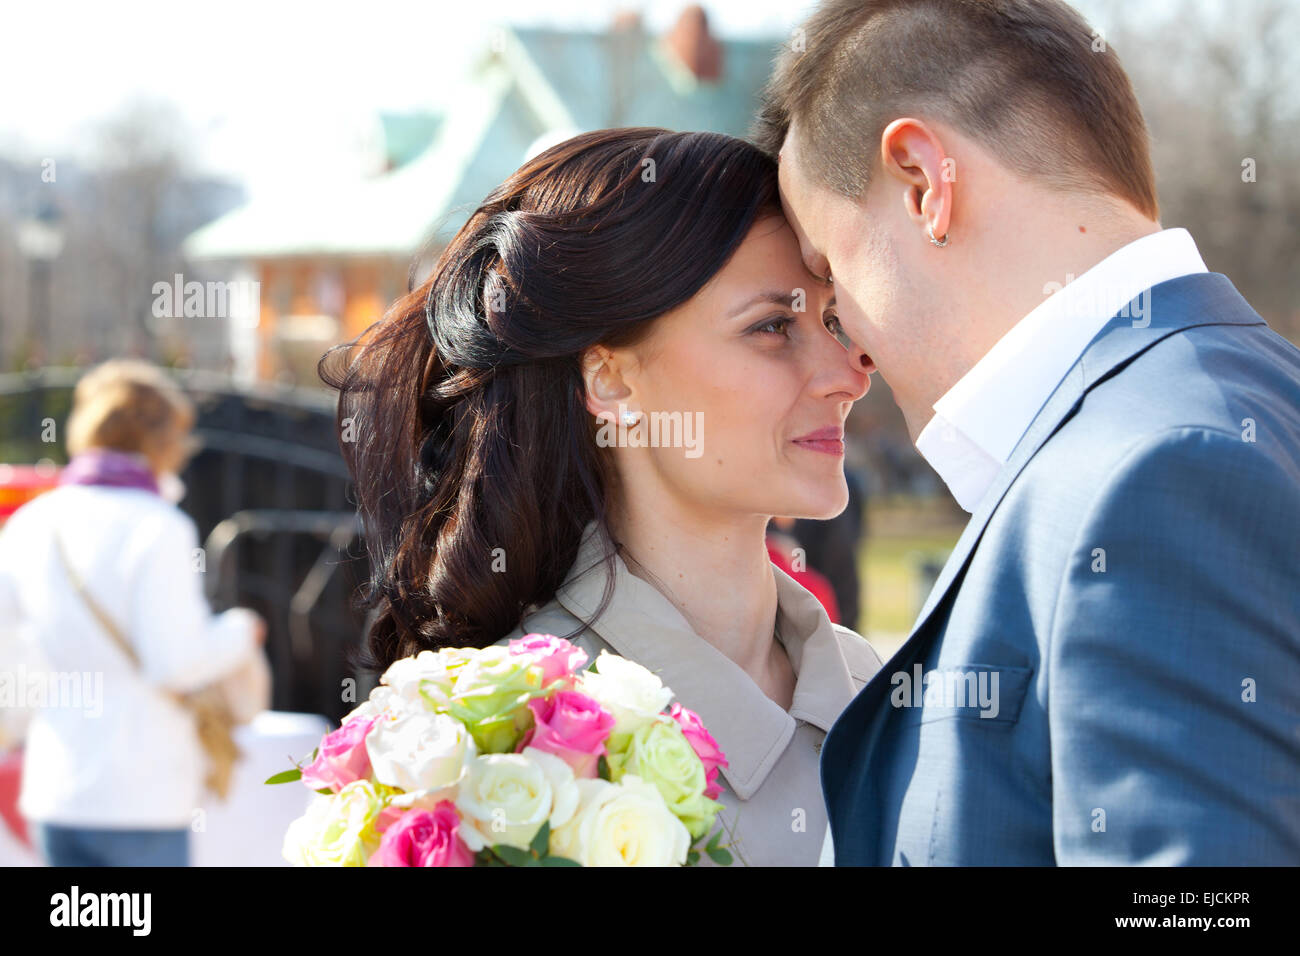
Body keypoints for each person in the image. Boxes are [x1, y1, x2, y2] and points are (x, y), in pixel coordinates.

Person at [756, 0, 1300, 864]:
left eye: (830, 272)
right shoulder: (1225, 409)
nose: (844, 337)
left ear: (924, 180)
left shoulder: (1155, 472)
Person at [324, 128, 881, 865]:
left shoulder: (882, 690)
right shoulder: (494, 755)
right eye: (773, 327)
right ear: (610, 380)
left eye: (835, 320)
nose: (850, 371)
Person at [0, 359, 266, 866]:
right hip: (141, 792)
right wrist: (237, 633)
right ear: (163, 443)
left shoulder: (32, 524)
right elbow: (176, 664)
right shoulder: (159, 527)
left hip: (56, 787)